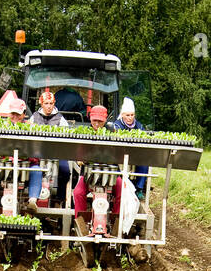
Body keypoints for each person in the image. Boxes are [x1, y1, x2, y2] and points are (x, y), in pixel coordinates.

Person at [0, 90, 41, 208]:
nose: (15, 117)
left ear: (24, 114)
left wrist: (27, 156)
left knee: (37, 170)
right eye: (12, 114)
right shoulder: (1, 127)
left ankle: (32, 201)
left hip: (26, 165)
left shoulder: (32, 128)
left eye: (18, 114)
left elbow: (37, 153)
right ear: (8, 113)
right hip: (4, 165)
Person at [73, 105, 122, 239]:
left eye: (100, 121)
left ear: (105, 120)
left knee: (121, 191)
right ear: (90, 118)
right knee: (78, 192)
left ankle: (115, 222)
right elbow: (77, 152)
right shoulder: (84, 132)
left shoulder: (114, 132)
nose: (97, 124)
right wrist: (80, 157)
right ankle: (81, 223)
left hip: (110, 174)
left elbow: (121, 152)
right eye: (94, 120)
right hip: (89, 174)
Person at [29, 88, 70, 203]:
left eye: (51, 103)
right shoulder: (34, 117)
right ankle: (30, 195)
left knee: (65, 171)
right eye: (46, 103)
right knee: (30, 169)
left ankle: (60, 198)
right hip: (37, 153)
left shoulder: (60, 119)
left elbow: (67, 136)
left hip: (56, 152)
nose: (49, 106)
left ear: (54, 104)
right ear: (41, 104)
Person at [110, 96, 148, 199]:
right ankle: (118, 186)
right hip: (119, 153)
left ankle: (139, 188)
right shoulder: (116, 125)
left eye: (132, 115)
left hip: (135, 153)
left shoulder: (139, 126)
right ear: (122, 115)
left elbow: (144, 136)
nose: (130, 117)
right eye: (127, 115)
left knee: (144, 162)